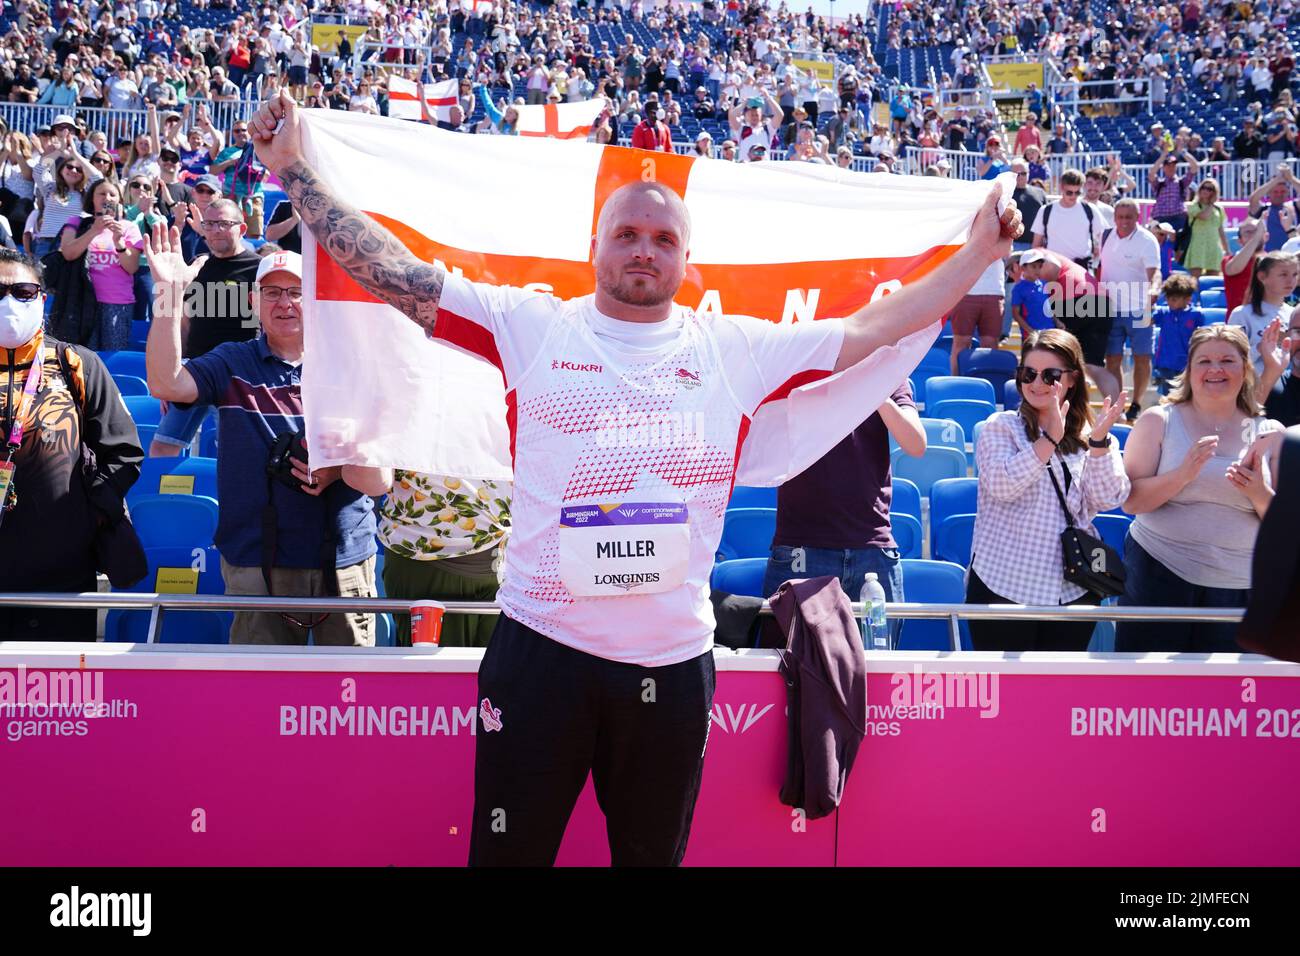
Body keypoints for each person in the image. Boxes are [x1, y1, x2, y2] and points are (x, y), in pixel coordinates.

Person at [248, 88, 1022, 867]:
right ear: (596, 249)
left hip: (671, 665)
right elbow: (398, 276)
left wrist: (980, 253)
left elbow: (870, 330)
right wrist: (295, 174)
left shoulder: (736, 349)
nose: (643, 249)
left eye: (661, 237)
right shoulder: (531, 324)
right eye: (626, 234)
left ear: (687, 261)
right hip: (541, 651)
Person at [144, 238, 381, 645]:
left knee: (347, 699)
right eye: (272, 292)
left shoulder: (354, 365)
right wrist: (168, 295)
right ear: (254, 301)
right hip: (257, 560)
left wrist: (338, 469)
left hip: (343, 559)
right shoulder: (232, 361)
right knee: (260, 696)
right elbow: (166, 383)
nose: (284, 303)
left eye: (296, 292)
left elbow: (380, 481)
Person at [0, 248, 142, 641]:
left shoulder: (75, 363)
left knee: (59, 694)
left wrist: (85, 516)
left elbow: (124, 453)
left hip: (62, 571)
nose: (9, 301)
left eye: (22, 291)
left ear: (42, 299)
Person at [1117, 325, 1284, 653]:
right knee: (1149, 691)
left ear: (1245, 369)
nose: (1215, 369)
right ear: (1189, 370)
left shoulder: (1269, 432)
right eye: (1204, 361)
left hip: (1238, 586)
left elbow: (1283, 527)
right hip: (1158, 572)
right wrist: (1182, 475)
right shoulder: (1157, 420)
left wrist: (1258, 493)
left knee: (1222, 698)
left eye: (1227, 360)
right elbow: (1131, 502)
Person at [966, 329, 1130, 651]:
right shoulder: (1001, 426)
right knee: (1008, 696)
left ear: (1072, 379)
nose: (1037, 383)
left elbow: (1109, 498)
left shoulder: (1090, 434)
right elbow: (1002, 486)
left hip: (1073, 589)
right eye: (1028, 373)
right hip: (1004, 584)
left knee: (1059, 694)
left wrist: (1098, 445)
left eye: (1050, 375)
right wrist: (1048, 440)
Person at [763, 381, 925, 648]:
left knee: (878, 669)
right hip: (802, 546)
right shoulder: (798, 364)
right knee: (795, 670)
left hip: (871, 550)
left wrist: (875, 388)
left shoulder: (890, 371)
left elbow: (916, 444)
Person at [149, 198, 261, 457]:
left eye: (224, 223)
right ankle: (171, 497)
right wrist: (171, 374)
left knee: (233, 454)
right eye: (210, 224)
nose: (216, 230)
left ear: (242, 229)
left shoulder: (257, 268)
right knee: (163, 446)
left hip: (238, 375)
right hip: (195, 371)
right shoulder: (196, 267)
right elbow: (183, 322)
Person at [58, 178, 143, 352]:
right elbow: (68, 253)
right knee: (81, 360)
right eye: (102, 193)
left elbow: (132, 267)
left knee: (112, 359)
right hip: (80, 301)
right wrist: (94, 230)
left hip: (116, 303)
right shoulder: (76, 222)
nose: (108, 198)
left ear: (119, 200)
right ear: (92, 199)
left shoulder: (128, 227)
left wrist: (118, 242)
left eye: (113, 194)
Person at [1098, 198, 1162, 422]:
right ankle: (1118, 405)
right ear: (1114, 217)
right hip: (1110, 308)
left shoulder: (1147, 240)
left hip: (1139, 308)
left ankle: (1136, 404)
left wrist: (1153, 293)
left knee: (1142, 358)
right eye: (1120, 216)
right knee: (1112, 360)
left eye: (1129, 217)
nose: (1124, 221)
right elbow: (1101, 269)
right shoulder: (1105, 235)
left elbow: (1154, 274)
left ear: (1138, 217)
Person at [1228, 250, 1299, 376]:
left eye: (1295, 275)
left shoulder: (1294, 313)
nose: (1291, 281)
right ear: (1262, 277)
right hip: (1256, 388)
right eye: (1283, 275)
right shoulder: (1242, 314)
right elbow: (1230, 360)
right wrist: (1263, 346)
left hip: (1290, 389)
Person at [1030, 169, 1102, 269]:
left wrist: (1098, 249)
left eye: (1077, 193)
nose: (1073, 196)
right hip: (1053, 269)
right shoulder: (1045, 210)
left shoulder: (1090, 209)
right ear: (1061, 188)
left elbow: (1103, 237)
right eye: (1069, 192)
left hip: (1082, 268)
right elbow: (1036, 244)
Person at [1151, 273, 1209, 396]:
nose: (1169, 302)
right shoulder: (1163, 312)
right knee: (1167, 398)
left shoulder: (1196, 315)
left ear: (1188, 299)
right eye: (1167, 298)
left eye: (1174, 299)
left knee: (1186, 397)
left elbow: (1201, 338)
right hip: (1165, 364)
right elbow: (1145, 322)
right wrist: (1149, 302)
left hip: (1186, 365)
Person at [948, 259, 1006, 373]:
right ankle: (955, 383)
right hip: (964, 291)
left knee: (990, 345)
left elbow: (1005, 251)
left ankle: (988, 380)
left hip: (993, 291)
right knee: (961, 343)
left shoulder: (1003, 239)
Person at [1257, 315, 1300, 427]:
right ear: (1287, 335)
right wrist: (1271, 371)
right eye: (1298, 332)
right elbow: (1239, 425)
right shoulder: (1269, 387)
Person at [1182, 178, 1229, 279]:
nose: (1205, 190)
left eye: (1209, 189)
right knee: (1195, 281)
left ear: (1214, 192)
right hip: (1198, 247)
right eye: (1203, 187)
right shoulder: (1194, 206)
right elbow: (1204, 216)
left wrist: (1227, 250)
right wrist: (1211, 204)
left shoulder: (1219, 209)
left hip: (1214, 247)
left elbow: (1220, 230)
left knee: (1213, 280)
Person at [1147, 148, 1199, 237]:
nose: (1171, 168)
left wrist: (1182, 151)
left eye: (1173, 166)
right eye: (1168, 165)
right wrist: (1163, 156)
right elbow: (1151, 174)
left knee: (1179, 245)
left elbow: (1194, 167)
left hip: (1179, 218)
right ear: (1163, 168)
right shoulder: (1159, 184)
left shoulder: (1182, 182)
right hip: (1161, 218)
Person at [1223, 217, 1266, 313]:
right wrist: (1256, 239)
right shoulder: (1229, 260)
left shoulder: (1272, 262)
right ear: (1239, 240)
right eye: (1248, 233)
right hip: (1237, 322)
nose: (1253, 235)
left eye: (1256, 231)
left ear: (1266, 236)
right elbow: (1233, 269)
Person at [1010, 249, 1054, 337]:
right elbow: (1016, 314)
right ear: (1023, 268)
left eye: (1040, 266)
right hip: (1030, 336)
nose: (1037, 270)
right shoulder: (1018, 289)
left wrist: (1057, 321)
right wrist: (1030, 331)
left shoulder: (1044, 283)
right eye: (1033, 266)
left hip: (1049, 333)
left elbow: (1048, 308)